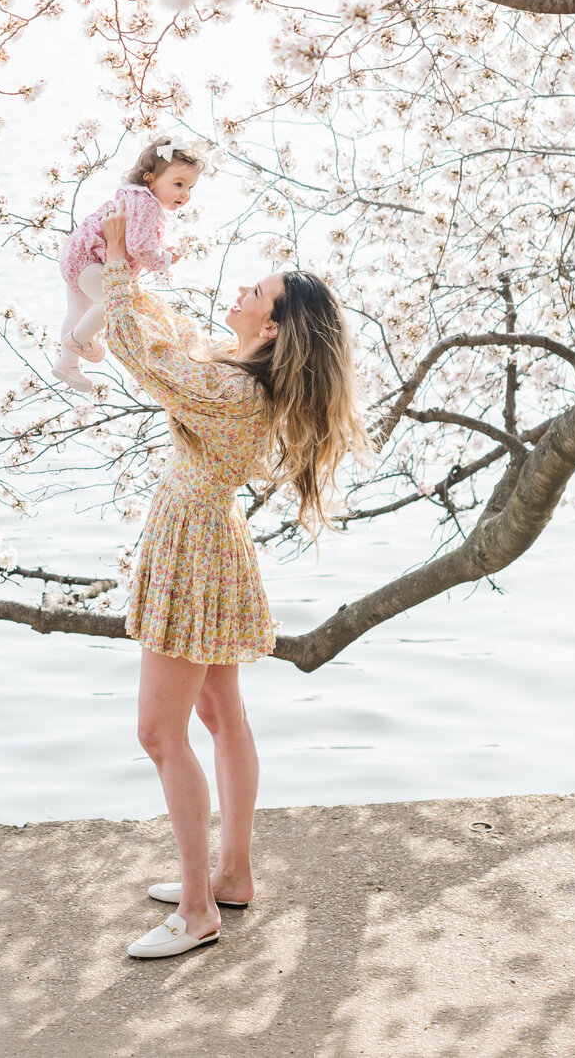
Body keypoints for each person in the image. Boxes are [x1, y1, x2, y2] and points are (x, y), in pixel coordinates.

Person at [98, 199, 364, 960]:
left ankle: (195, 909)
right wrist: (135, 270)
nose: (242, 292)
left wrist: (117, 264)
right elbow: (172, 337)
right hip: (210, 544)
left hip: (195, 553)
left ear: (273, 326)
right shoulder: (240, 370)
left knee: (159, 731)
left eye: (256, 291)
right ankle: (234, 873)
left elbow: (145, 357)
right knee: (220, 719)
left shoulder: (236, 389)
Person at [53, 139, 200, 393]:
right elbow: (139, 247)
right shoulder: (147, 203)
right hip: (91, 258)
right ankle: (77, 341)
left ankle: (67, 363)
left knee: (76, 312)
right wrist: (163, 260)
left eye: (190, 187)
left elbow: (139, 235)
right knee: (114, 302)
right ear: (150, 179)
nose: (185, 194)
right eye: (178, 184)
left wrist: (162, 247)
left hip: (78, 254)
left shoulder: (135, 195)